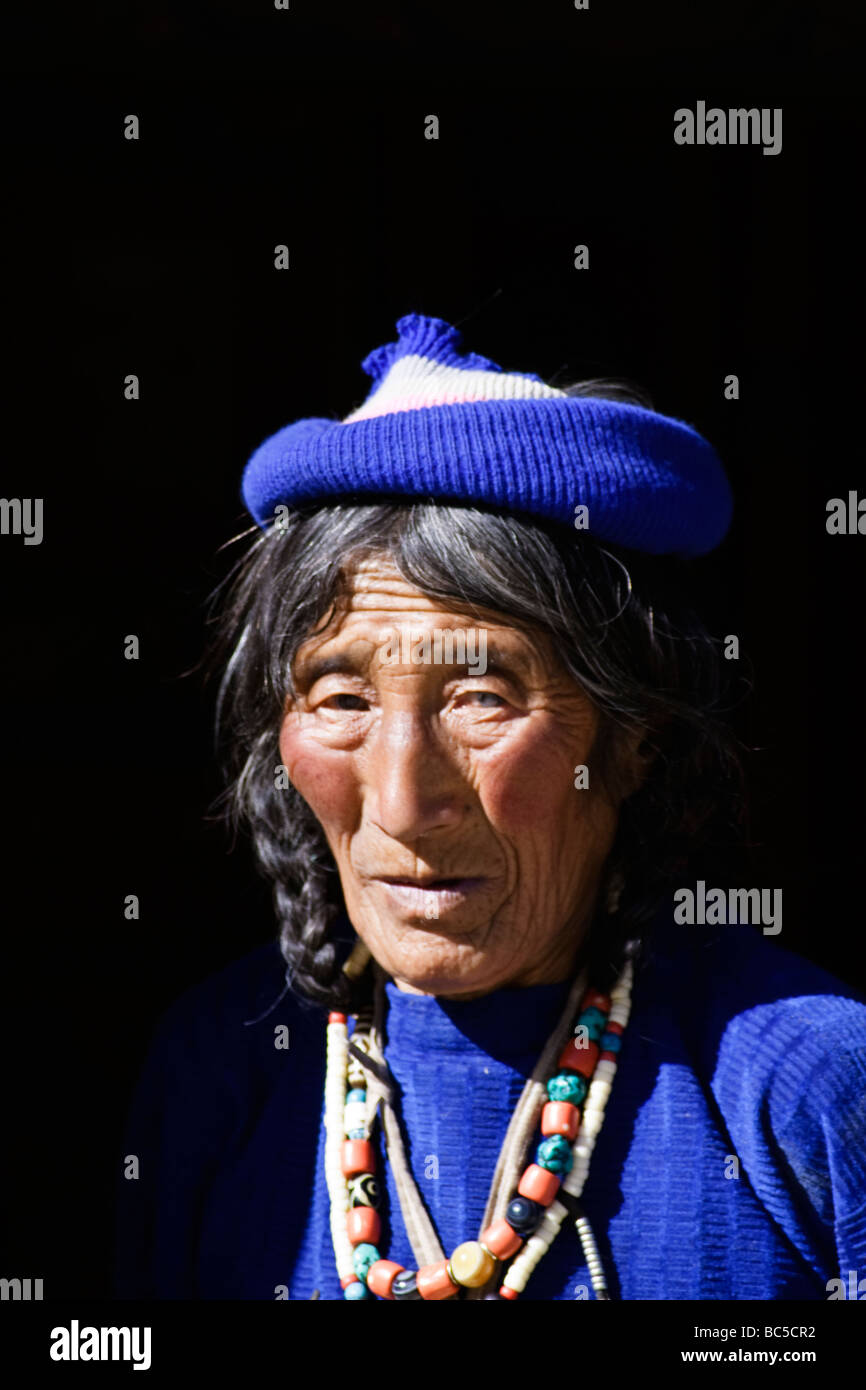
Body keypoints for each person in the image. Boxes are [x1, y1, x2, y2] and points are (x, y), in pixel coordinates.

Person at [113, 313, 866, 1301]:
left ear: (634, 736)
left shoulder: (808, 1083)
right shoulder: (220, 1066)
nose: (402, 803)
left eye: (481, 698)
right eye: (341, 700)